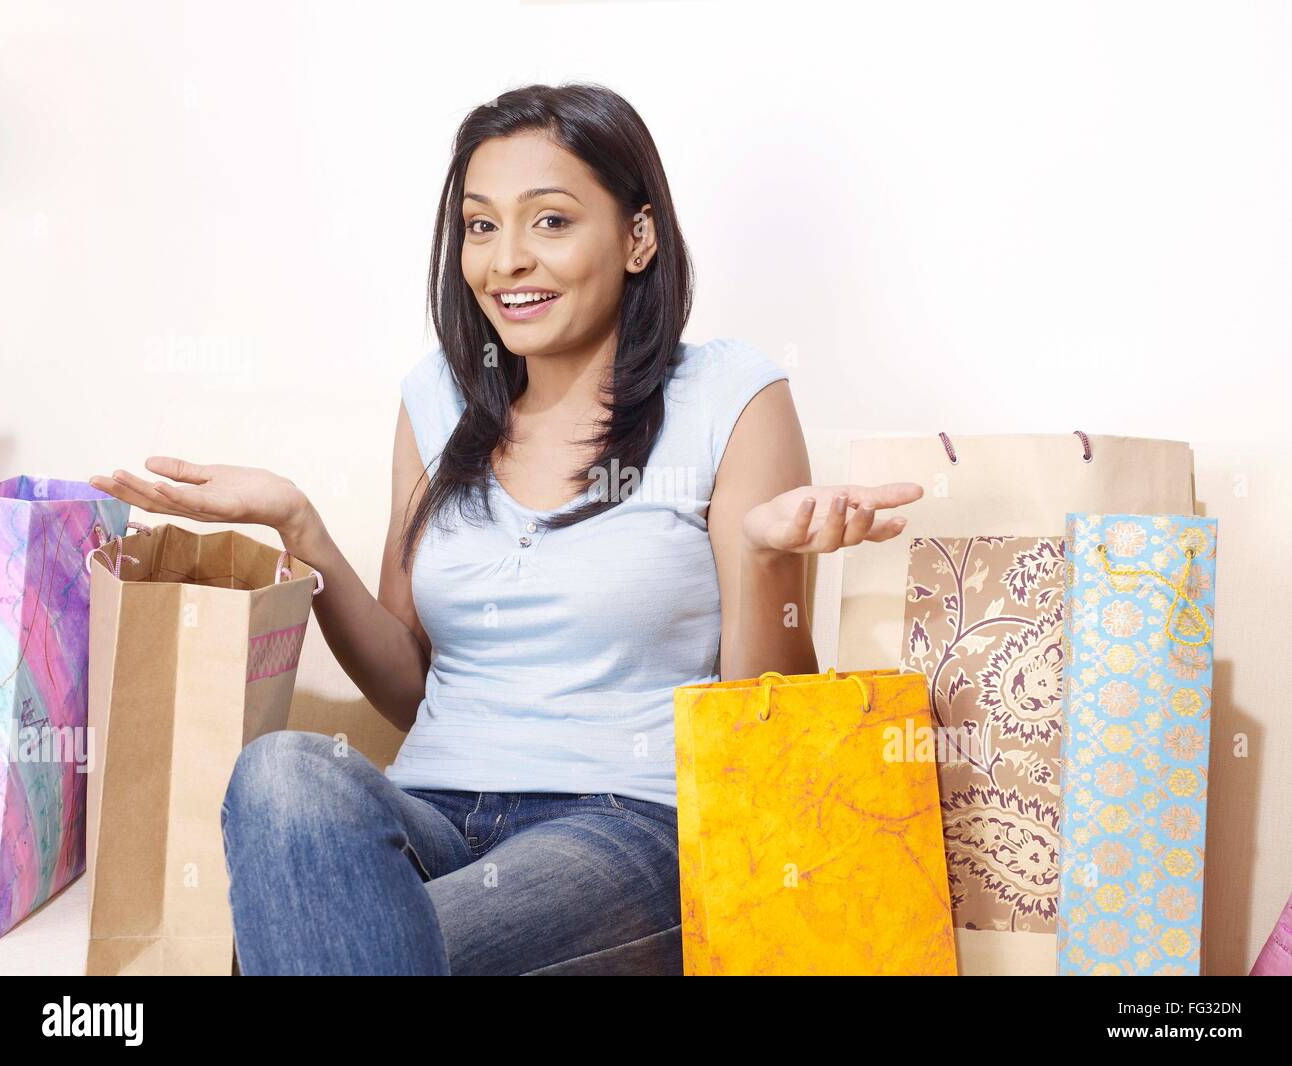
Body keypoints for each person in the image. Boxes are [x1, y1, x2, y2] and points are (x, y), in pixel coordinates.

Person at [91, 82, 920, 975]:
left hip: (626, 825)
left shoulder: (727, 395)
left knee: (362, 943)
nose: (506, 261)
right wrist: (304, 528)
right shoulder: (437, 399)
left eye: (551, 221)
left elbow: (766, 735)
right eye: (481, 227)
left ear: (639, 237)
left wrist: (763, 556)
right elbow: (411, 686)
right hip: (432, 814)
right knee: (283, 775)